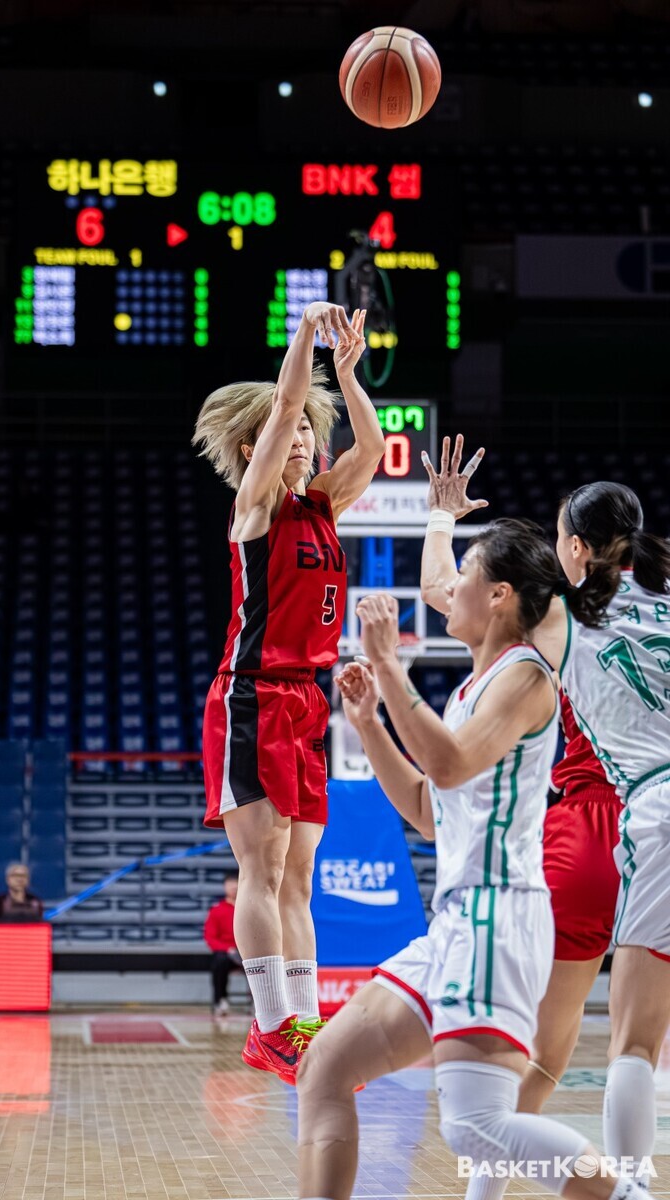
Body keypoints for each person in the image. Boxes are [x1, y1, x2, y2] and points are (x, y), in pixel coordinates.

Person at [297, 512, 652, 1200]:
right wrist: (368, 725)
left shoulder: (527, 677)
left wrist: (390, 665)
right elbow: (428, 810)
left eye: (465, 574)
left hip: (498, 918)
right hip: (455, 925)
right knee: (325, 1070)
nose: (450, 588)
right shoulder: (467, 691)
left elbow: (450, 764)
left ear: (499, 595)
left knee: (477, 1128)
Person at [418, 449, 670, 1187]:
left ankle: (607, 1186)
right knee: (645, 1042)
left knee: (545, 1056)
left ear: (578, 548)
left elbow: (442, 591)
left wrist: (441, 518)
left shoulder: (561, 612)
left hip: (599, 829)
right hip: (638, 823)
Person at [192, 301, 384, 1084]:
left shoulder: (324, 505)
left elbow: (372, 448)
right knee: (263, 870)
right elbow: (282, 406)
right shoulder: (257, 506)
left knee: (301, 877)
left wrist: (349, 375)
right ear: (256, 448)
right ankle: (269, 1024)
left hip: (305, 703)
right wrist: (306, 334)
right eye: (292, 427)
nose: (303, 434)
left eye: (309, 427)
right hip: (251, 697)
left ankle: (301, 1025)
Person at [204, 872, 242, 1015]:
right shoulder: (217, 910)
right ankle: (220, 1000)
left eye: (236, 882)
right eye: (230, 883)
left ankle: (258, 1004)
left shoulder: (249, 908)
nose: (234, 886)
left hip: (246, 952)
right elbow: (210, 937)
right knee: (219, 961)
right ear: (225, 886)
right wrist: (228, 949)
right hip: (227, 953)